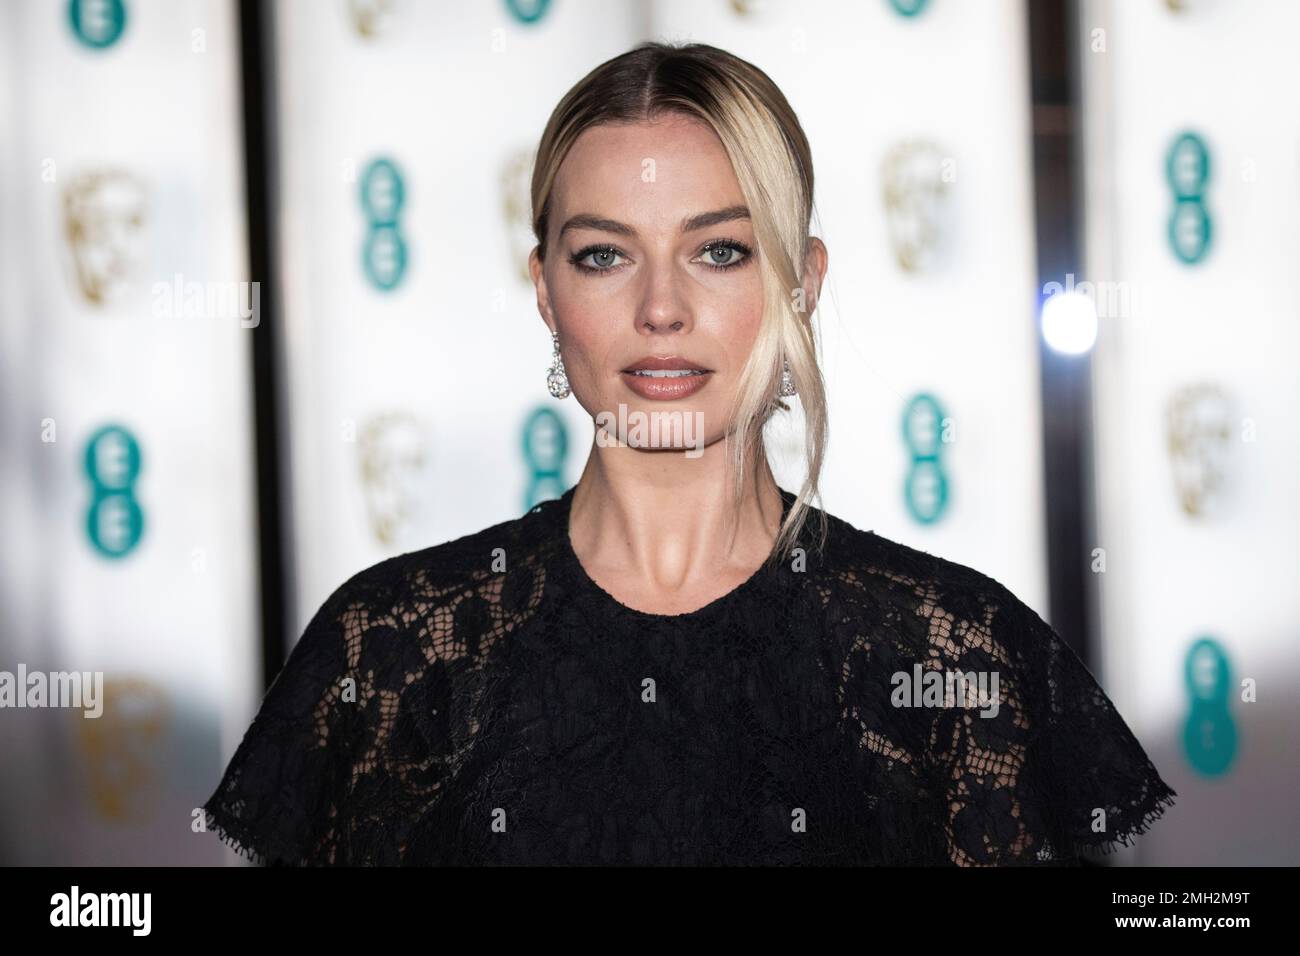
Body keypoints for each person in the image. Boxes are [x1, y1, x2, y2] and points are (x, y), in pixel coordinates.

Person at [202, 41, 1176, 866]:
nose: (660, 308)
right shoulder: (388, 648)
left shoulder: (959, 653)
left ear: (802, 279)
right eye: (603, 254)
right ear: (545, 290)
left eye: (719, 250)